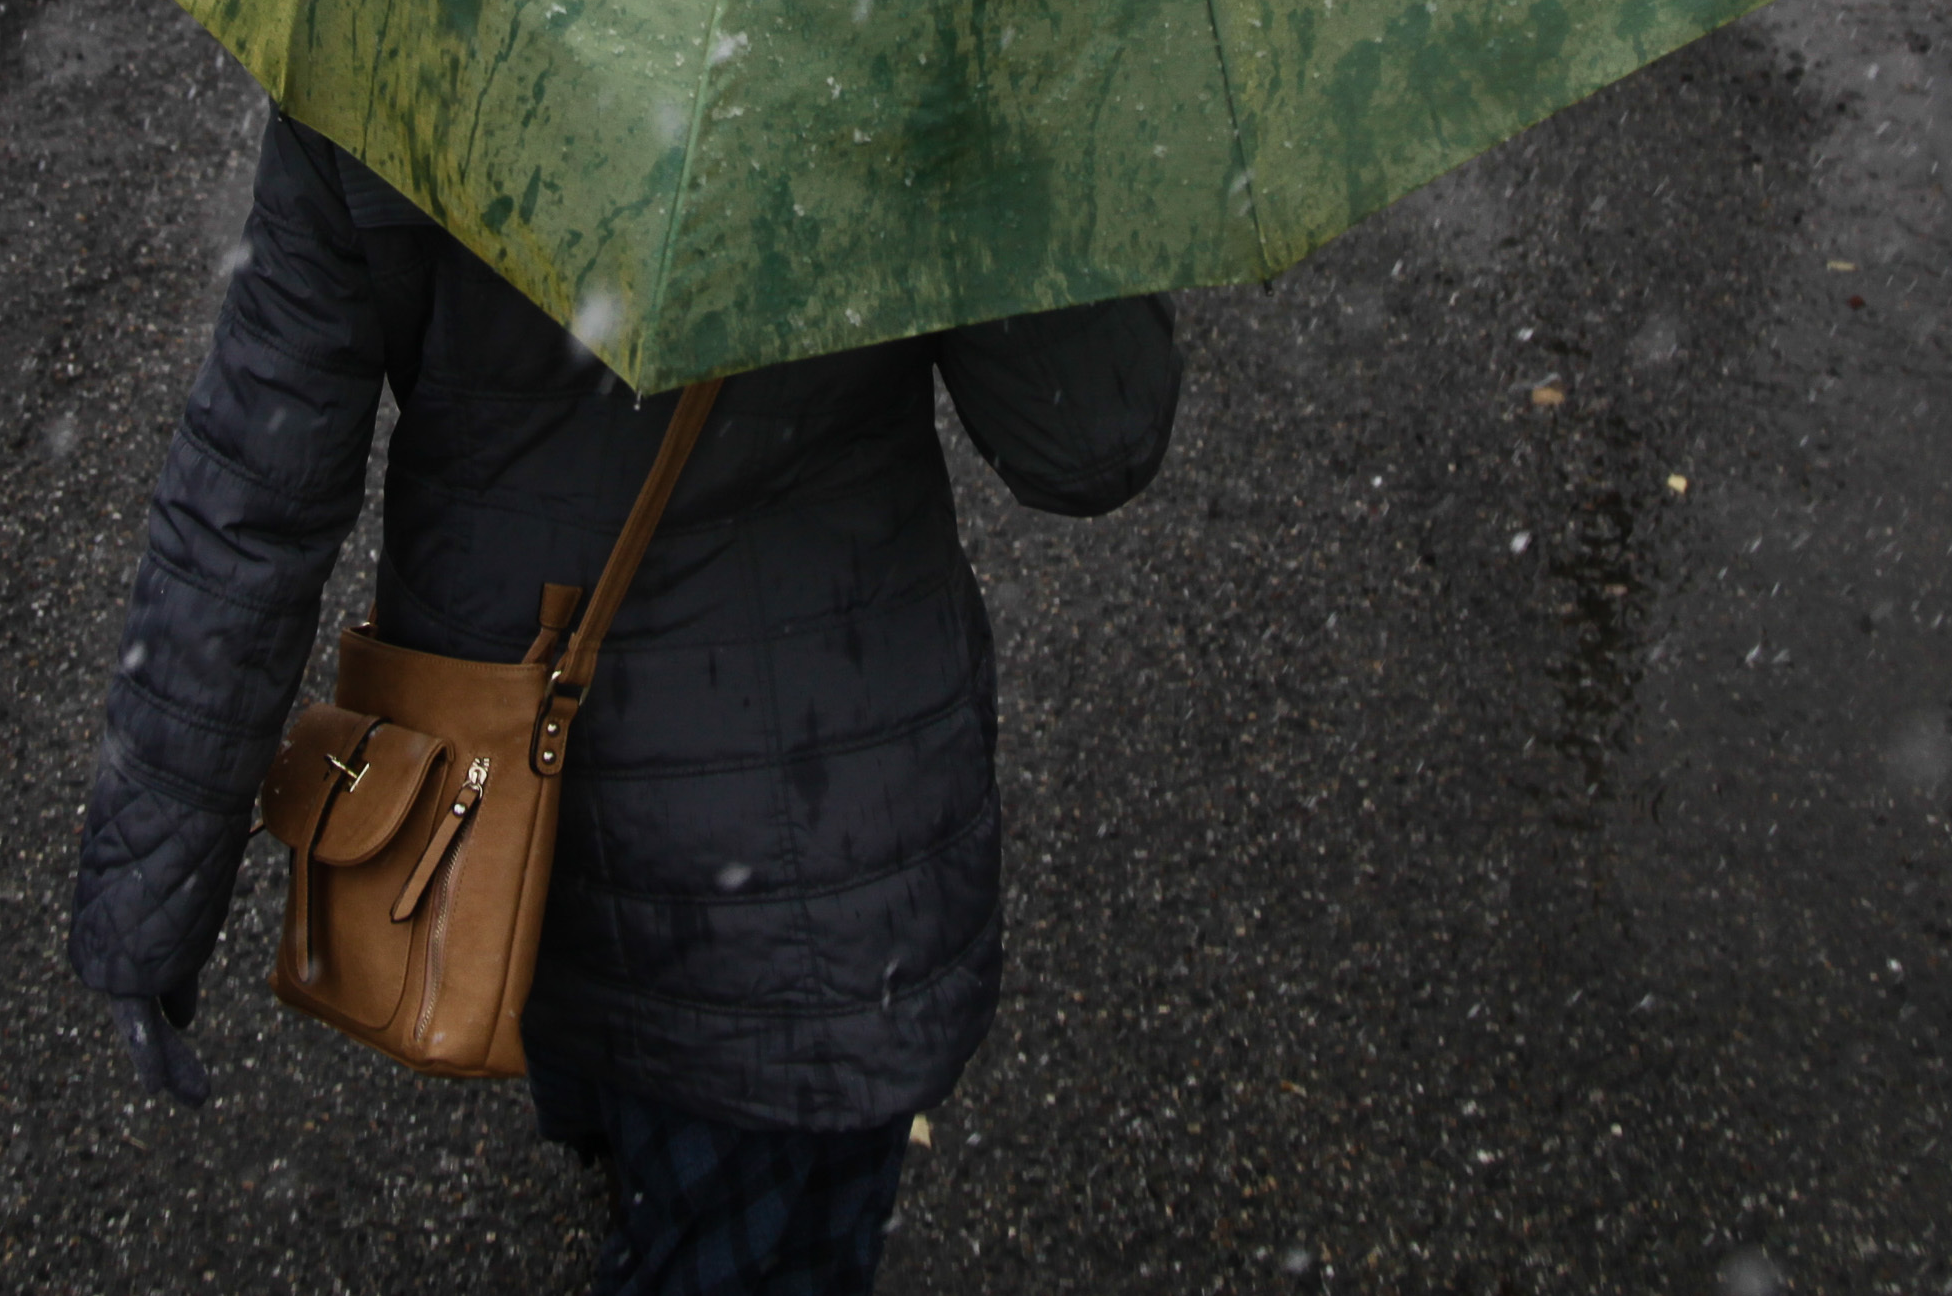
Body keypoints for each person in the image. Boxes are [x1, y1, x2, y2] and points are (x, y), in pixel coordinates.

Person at [73, 110, 1184, 1292]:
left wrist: (153, 882)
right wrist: (991, 119)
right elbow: (1091, 442)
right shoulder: (902, 13)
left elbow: (248, 489)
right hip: (820, 869)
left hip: (497, 809)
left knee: (600, 1061)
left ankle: (607, 1122)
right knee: (754, 1233)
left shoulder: (389, 7)